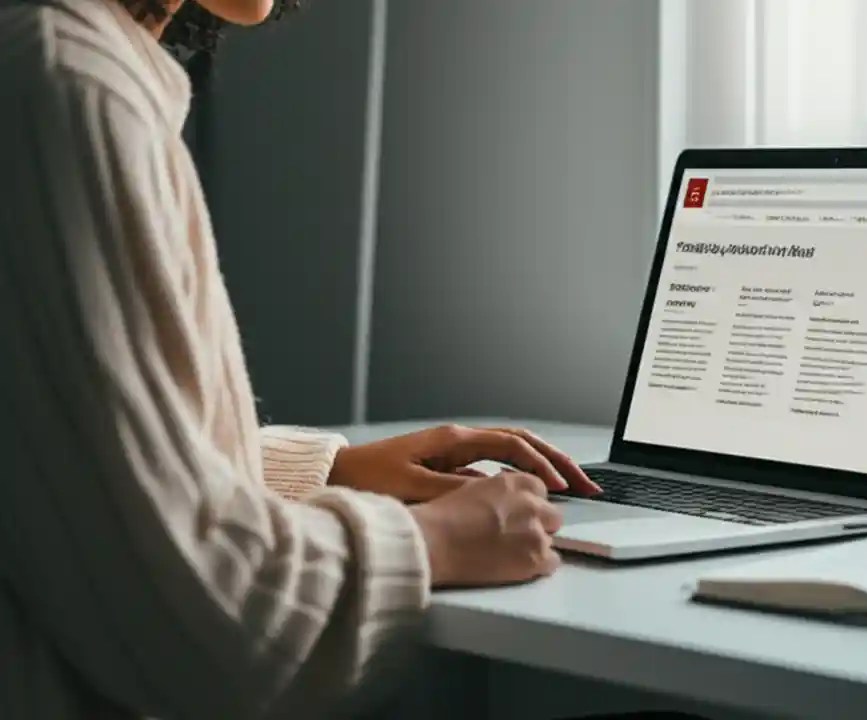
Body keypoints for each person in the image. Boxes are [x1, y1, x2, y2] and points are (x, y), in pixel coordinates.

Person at [0, 0, 605, 717]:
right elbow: (201, 624)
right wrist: (430, 542)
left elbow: (60, 456)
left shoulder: (70, 66)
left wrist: (330, 471)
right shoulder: (66, 80)